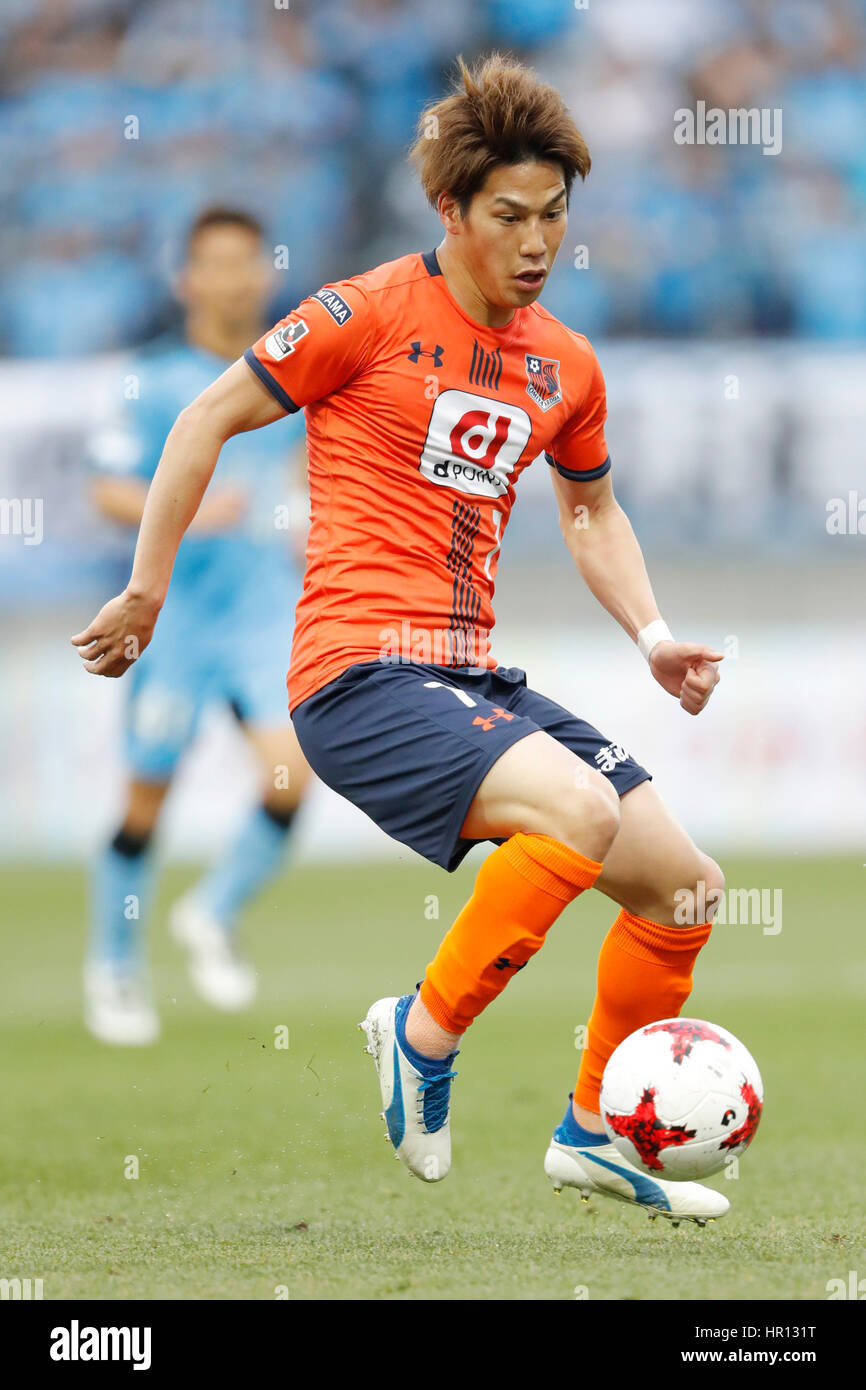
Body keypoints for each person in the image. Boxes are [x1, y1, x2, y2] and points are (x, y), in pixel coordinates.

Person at [72, 55, 727, 1224]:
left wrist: (653, 634)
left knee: (681, 889)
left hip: (471, 673)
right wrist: (145, 591)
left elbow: (589, 510)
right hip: (358, 674)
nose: (536, 243)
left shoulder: (562, 364)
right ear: (451, 211)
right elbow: (204, 416)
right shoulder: (361, 312)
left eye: (555, 217)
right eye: (509, 217)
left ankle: (593, 1131)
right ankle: (417, 1038)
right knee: (573, 811)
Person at [83, 207, 311, 1045]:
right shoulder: (152, 380)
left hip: (263, 615)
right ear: (186, 278)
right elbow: (106, 490)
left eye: (246, 262)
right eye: (213, 263)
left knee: (292, 772)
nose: (232, 278)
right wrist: (189, 510)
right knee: (145, 802)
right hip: (172, 621)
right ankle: (113, 966)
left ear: (265, 272)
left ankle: (213, 910)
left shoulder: (290, 371)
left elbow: (306, 472)